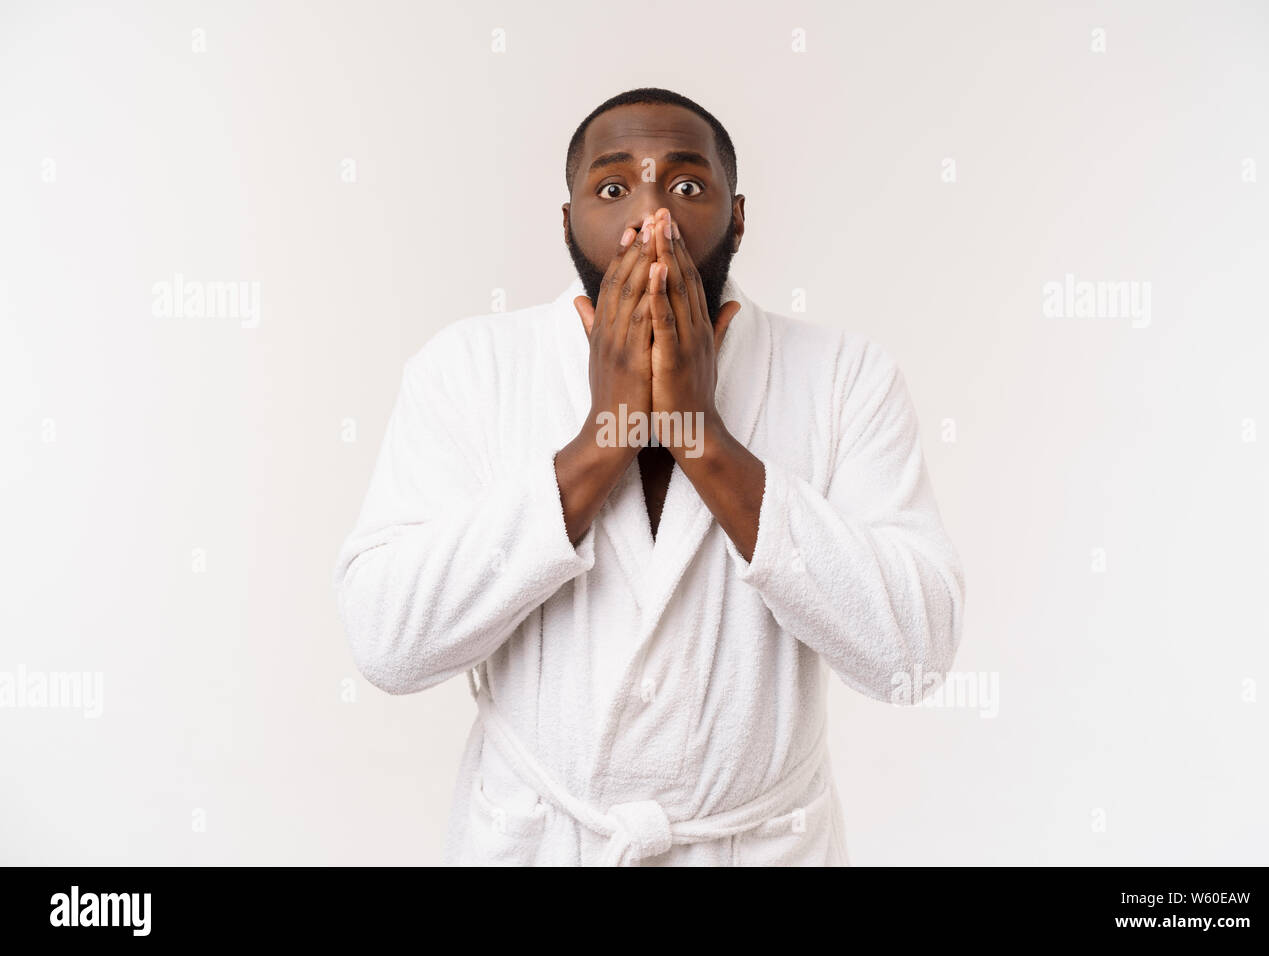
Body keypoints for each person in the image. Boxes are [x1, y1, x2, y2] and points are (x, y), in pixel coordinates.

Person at [331, 87, 966, 866]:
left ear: (738, 216)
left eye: (687, 186)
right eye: (612, 188)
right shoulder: (468, 369)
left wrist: (703, 438)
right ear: (567, 223)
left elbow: (914, 658)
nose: (651, 217)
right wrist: (605, 438)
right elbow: (388, 642)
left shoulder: (846, 377)